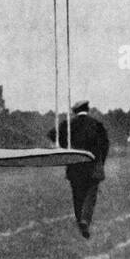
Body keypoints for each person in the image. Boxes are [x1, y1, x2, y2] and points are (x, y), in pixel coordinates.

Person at [47, 100, 110, 238]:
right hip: (93, 165)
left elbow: (52, 134)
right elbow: (105, 144)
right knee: (91, 194)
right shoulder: (96, 124)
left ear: (75, 111)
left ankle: (79, 221)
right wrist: (101, 161)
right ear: (87, 109)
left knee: (78, 195)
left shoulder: (69, 124)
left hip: (75, 166)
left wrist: (66, 147)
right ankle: (85, 220)